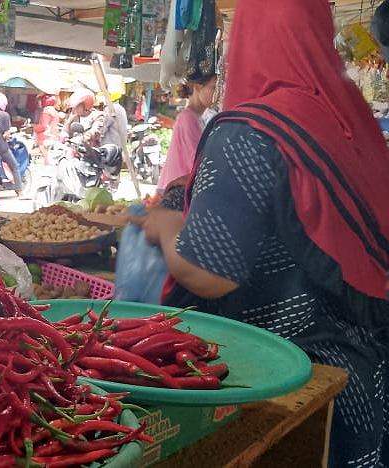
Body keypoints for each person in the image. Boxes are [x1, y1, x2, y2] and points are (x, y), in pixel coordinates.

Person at [135, 0, 389, 465]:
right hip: (365, 376)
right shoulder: (347, 120)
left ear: (254, 37)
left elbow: (209, 270)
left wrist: (168, 227)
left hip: (295, 388)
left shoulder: (250, 130)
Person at [156, 72, 217, 197]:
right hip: (175, 192)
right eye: (214, 88)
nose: (217, 94)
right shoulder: (188, 118)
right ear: (198, 87)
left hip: (176, 188)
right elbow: (198, 161)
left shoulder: (196, 117)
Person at [34, 95, 60, 163]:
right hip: (53, 136)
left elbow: (44, 126)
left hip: (45, 137)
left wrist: (35, 128)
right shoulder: (54, 112)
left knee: (45, 156)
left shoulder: (46, 111)